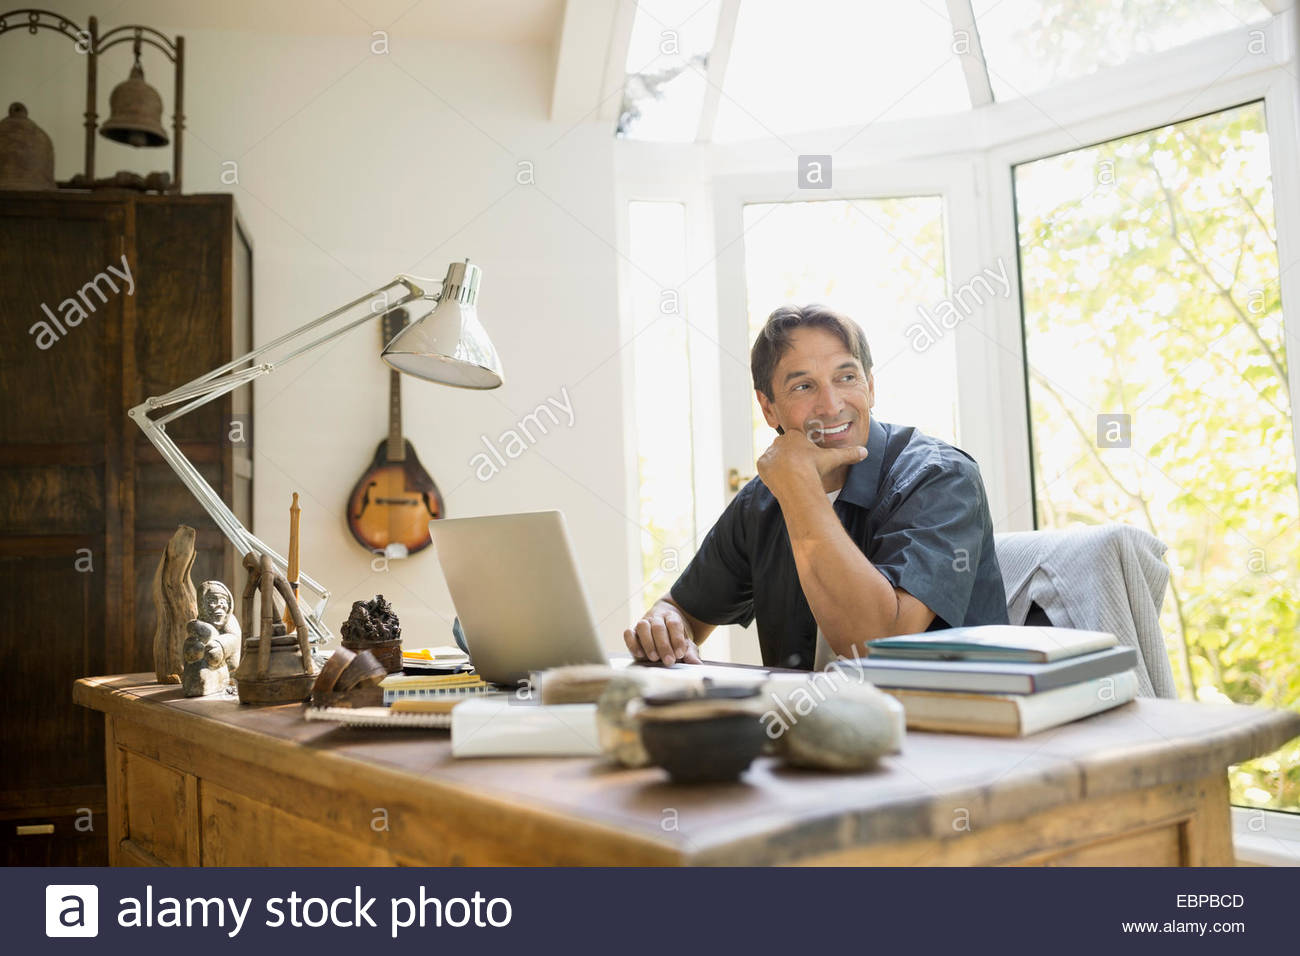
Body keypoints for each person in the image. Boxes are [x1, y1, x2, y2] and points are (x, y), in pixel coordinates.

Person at [624, 304, 1009, 670]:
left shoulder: (940, 478)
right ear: (768, 408)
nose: (830, 404)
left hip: (946, 730)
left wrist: (800, 490)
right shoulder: (761, 501)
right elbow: (683, 609)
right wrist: (665, 623)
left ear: (870, 387)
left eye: (846, 377)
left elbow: (876, 642)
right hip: (809, 730)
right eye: (804, 386)